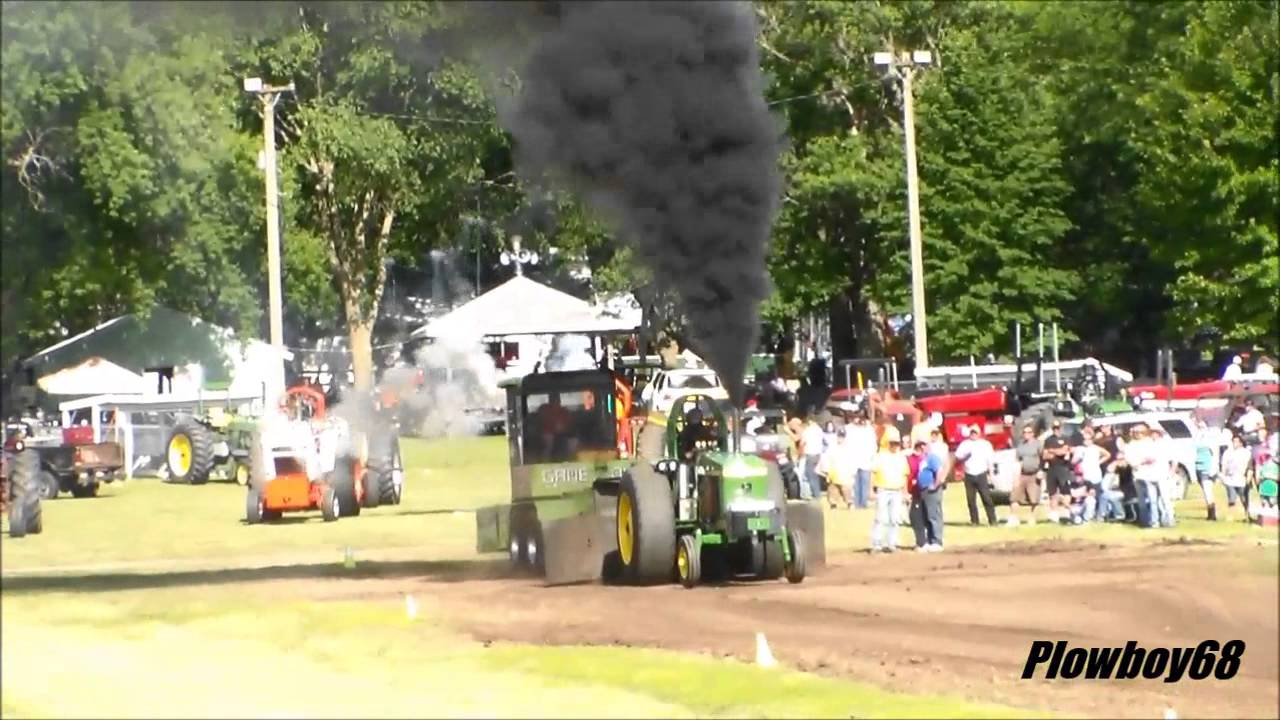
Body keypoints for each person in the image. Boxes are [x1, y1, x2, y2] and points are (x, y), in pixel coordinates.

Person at [869, 438, 909, 553]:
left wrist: (905, 492)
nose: (895, 446)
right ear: (888, 444)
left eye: (897, 444)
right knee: (880, 518)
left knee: (895, 518)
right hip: (883, 489)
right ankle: (877, 544)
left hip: (897, 490)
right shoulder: (880, 456)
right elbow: (873, 473)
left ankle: (892, 543)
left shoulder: (901, 458)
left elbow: (905, 475)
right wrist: (871, 490)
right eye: (893, 444)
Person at [955, 426, 997, 526]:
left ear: (979, 433)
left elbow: (991, 460)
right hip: (969, 474)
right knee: (971, 500)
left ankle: (992, 520)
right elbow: (958, 457)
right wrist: (964, 457)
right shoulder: (965, 444)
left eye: (975, 433)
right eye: (972, 433)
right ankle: (974, 521)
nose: (973, 434)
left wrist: (991, 474)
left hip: (981, 473)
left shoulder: (985, 444)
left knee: (986, 498)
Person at [908, 440, 945, 552]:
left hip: (932, 490)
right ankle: (929, 540)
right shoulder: (923, 460)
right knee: (927, 515)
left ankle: (937, 541)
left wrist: (935, 484)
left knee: (934, 515)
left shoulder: (933, 458)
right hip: (923, 491)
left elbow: (939, 471)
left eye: (924, 445)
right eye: (920, 446)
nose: (922, 447)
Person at [1073, 428, 1112, 522]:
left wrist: (1099, 462)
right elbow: (1073, 461)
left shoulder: (1096, 448)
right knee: (1085, 497)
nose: (1086, 441)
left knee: (1097, 495)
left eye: (1088, 439)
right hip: (1084, 476)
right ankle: (1085, 515)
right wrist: (1078, 457)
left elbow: (1108, 455)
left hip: (1095, 475)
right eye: (1084, 439)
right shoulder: (1079, 449)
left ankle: (1098, 514)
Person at [1010, 425, 1044, 526]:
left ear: (1033, 434)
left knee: (1033, 498)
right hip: (1022, 474)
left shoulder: (1038, 444)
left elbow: (1043, 457)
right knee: (1014, 497)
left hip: (1034, 474)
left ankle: (1032, 518)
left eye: (1029, 432)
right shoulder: (1021, 446)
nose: (1026, 434)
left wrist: (1041, 470)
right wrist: (1016, 476)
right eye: (1024, 432)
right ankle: (1013, 518)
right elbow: (1018, 461)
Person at [1041, 420, 1074, 523]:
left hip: (1063, 468)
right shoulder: (1048, 440)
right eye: (1054, 428)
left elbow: (1065, 451)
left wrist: (1053, 451)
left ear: (1061, 428)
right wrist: (1057, 452)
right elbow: (1045, 455)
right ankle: (1054, 514)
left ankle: (1067, 513)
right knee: (1052, 492)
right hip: (1051, 469)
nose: (1056, 430)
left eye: (1058, 428)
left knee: (1065, 491)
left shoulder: (1066, 438)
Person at [818, 428, 855, 510]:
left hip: (845, 472)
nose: (840, 439)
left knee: (846, 488)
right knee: (832, 489)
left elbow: (852, 460)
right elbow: (826, 458)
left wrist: (852, 471)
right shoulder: (832, 447)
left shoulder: (849, 448)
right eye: (839, 436)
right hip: (834, 471)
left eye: (842, 437)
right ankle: (833, 504)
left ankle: (849, 503)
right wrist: (826, 470)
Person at [846, 413, 877, 509]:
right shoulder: (849, 429)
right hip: (853, 460)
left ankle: (863, 503)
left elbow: (873, 445)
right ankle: (856, 502)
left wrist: (872, 456)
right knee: (855, 483)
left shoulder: (869, 430)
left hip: (866, 460)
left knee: (865, 482)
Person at [1193, 417, 1221, 521]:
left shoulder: (1210, 438)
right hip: (1198, 466)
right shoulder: (1197, 437)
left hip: (1207, 466)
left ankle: (1212, 513)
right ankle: (1209, 512)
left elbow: (1215, 454)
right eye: (1199, 426)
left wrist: (1214, 468)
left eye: (1202, 425)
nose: (1200, 427)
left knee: (1207, 490)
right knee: (1205, 491)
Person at [1222, 434, 1253, 522]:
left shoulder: (1246, 453)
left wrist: (1248, 479)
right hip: (1230, 479)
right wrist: (1223, 476)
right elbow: (1224, 465)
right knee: (1231, 499)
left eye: (1237, 441)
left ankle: (1247, 515)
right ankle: (1230, 516)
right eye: (1233, 441)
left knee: (1244, 499)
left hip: (1242, 479)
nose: (1235, 443)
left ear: (1241, 443)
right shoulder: (1228, 452)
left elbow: (1250, 467)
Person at [1150, 426, 1177, 527]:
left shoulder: (1165, 445)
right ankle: (1163, 519)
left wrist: (1171, 472)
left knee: (1165, 498)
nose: (1152, 435)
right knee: (1156, 499)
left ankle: (1170, 518)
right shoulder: (1150, 445)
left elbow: (1174, 460)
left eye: (1153, 432)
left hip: (1163, 474)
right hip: (1152, 475)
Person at [800, 415, 826, 500]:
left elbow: (802, 443)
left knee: (810, 475)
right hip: (818, 454)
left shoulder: (808, 430)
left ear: (810, 421)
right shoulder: (819, 430)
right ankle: (816, 492)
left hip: (810, 454)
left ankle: (816, 493)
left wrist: (800, 453)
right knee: (816, 474)